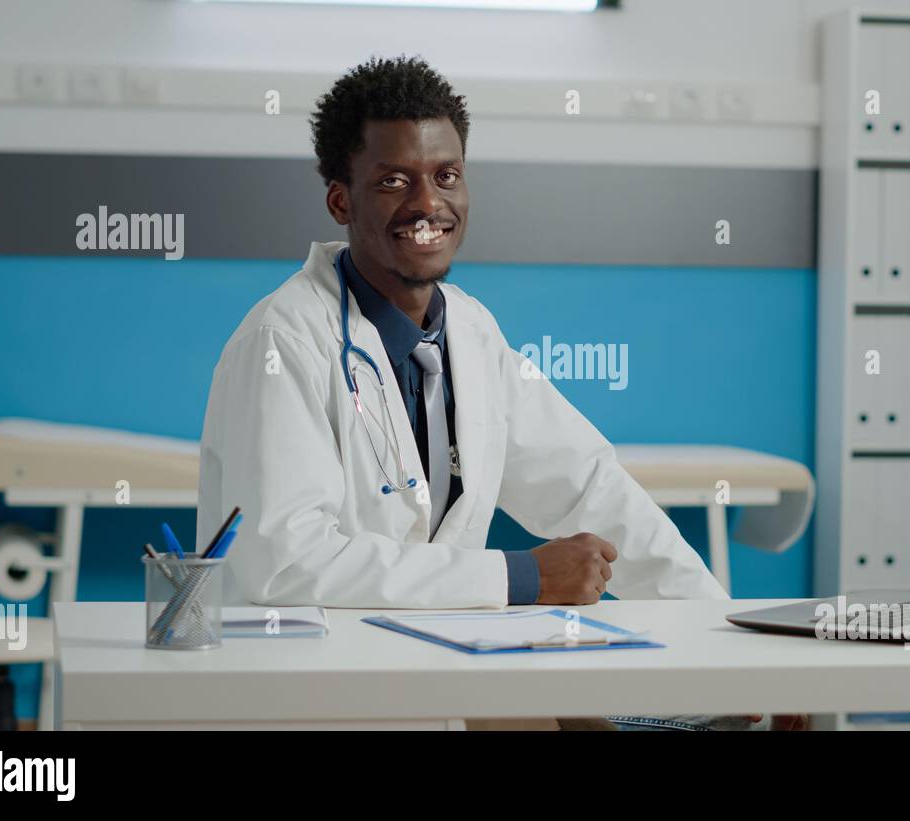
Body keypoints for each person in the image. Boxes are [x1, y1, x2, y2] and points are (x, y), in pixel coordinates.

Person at [197, 55, 800, 731]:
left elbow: (592, 490)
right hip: (315, 694)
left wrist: (724, 646)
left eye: (446, 176)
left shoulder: (473, 332)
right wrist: (516, 578)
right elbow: (284, 564)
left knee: (594, 718)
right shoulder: (283, 341)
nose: (428, 204)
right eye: (394, 181)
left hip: (434, 672)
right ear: (341, 198)